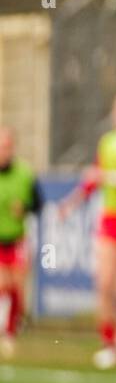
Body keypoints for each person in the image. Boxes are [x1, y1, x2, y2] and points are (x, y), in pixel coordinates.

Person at [59, 90, 116, 368]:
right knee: (104, 285)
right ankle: (109, 344)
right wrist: (71, 204)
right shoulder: (108, 142)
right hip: (111, 221)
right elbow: (93, 179)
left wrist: (110, 177)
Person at [0, 126, 42, 359]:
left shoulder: (25, 173)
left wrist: (24, 208)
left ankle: (10, 332)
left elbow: (39, 204)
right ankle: (6, 329)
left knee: (17, 287)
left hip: (17, 238)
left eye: (6, 146)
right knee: (2, 285)